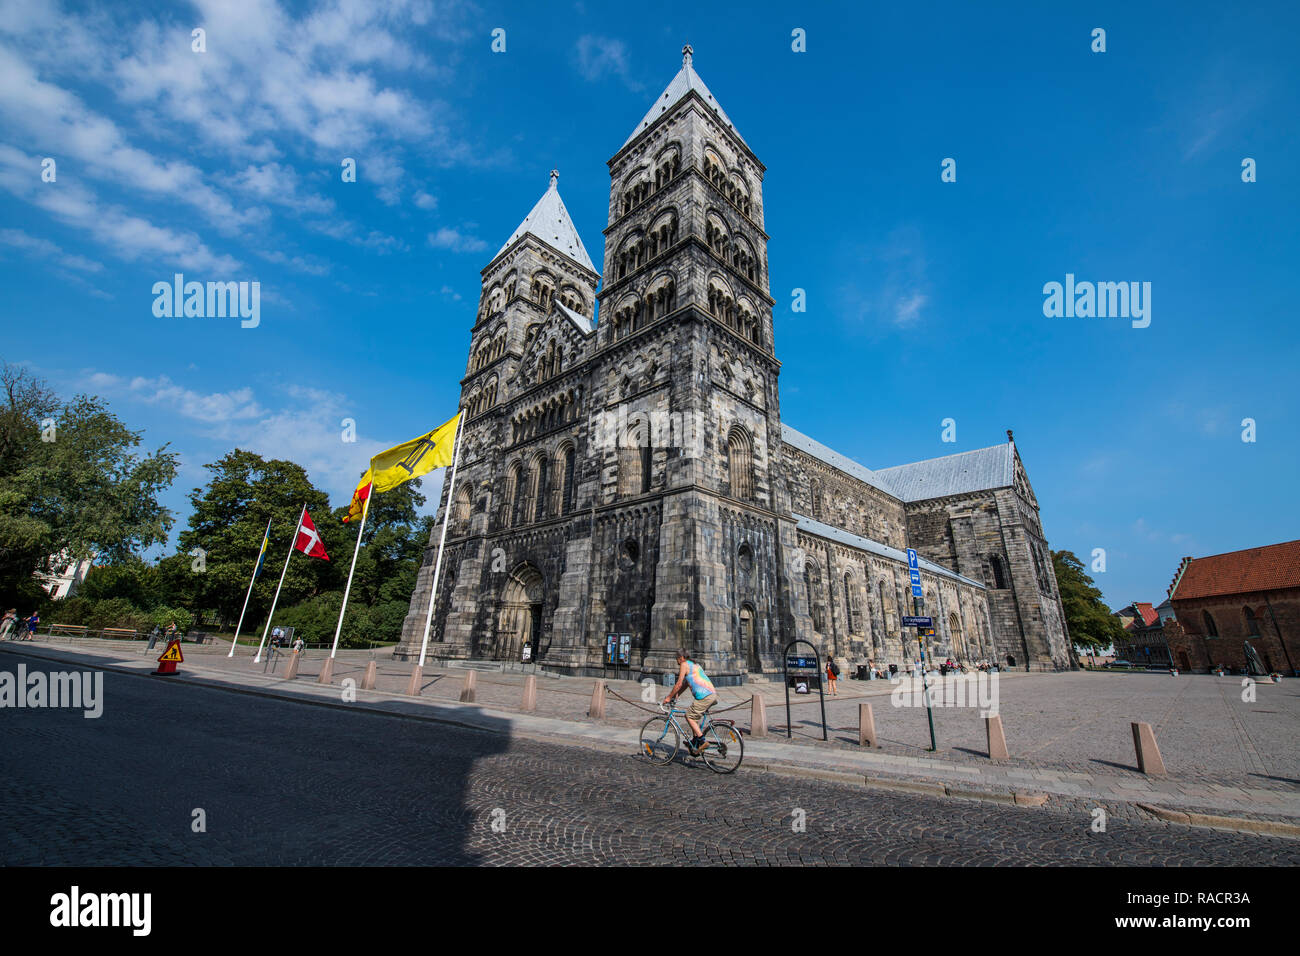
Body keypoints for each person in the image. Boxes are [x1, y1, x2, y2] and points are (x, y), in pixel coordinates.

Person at [664, 650, 717, 756]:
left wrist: (669, 697)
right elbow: (685, 684)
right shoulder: (694, 664)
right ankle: (695, 742)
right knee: (694, 717)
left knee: (689, 716)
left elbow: (679, 683)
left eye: (677, 658)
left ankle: (702, 741)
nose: (677, 661)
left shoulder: (684, 664)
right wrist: (676, 694)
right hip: (711, 694)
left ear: (681, 658)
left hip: (704, 696)